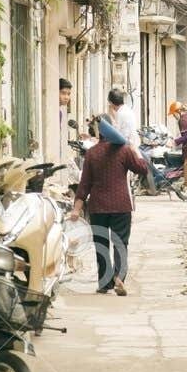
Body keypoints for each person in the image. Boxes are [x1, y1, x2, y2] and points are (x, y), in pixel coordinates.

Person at [70, 115, 148, 296]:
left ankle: (105, 283)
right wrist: (135, 151)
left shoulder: (92, 153)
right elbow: (142, 169)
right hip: (121, 205)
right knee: (120, 243)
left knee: (101, 244)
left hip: (98, 207)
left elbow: (84, 185)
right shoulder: (123, 150)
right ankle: (119, 277)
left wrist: (76, 208)